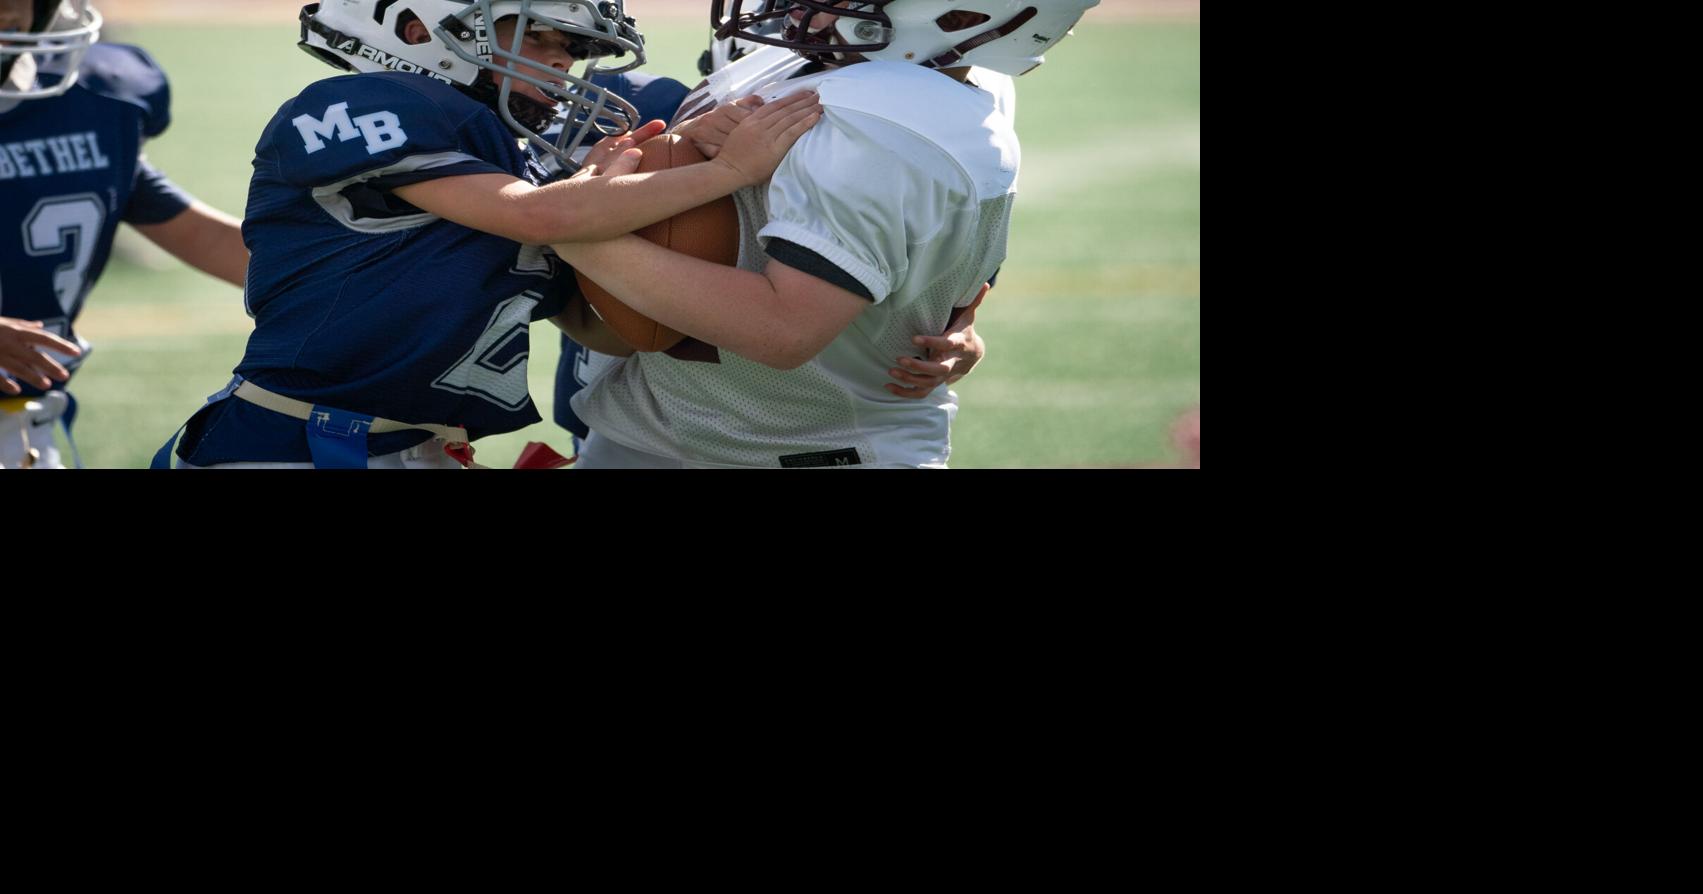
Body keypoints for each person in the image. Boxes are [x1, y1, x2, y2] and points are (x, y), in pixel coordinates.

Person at [157, 0, 819, 469]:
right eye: (539, 38)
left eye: (571, 50)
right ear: (419, 30)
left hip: (421, 446)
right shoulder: (369, 104)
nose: (561, 64)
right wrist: (725, 172)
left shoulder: (516, 160)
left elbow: (603, 330)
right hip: (295, 442)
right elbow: (537, 218)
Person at [556, 0, 1095, 468]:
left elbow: (782, 329)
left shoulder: (895, 117)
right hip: (652, 423)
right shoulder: (808, 65)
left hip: (807, 447)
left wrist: (573, 226)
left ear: (959, 16)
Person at [0, 0, 246, 468]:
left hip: (20, 430)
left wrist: (343, 277)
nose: (9, 12)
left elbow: (199, 234)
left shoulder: (88, 100)